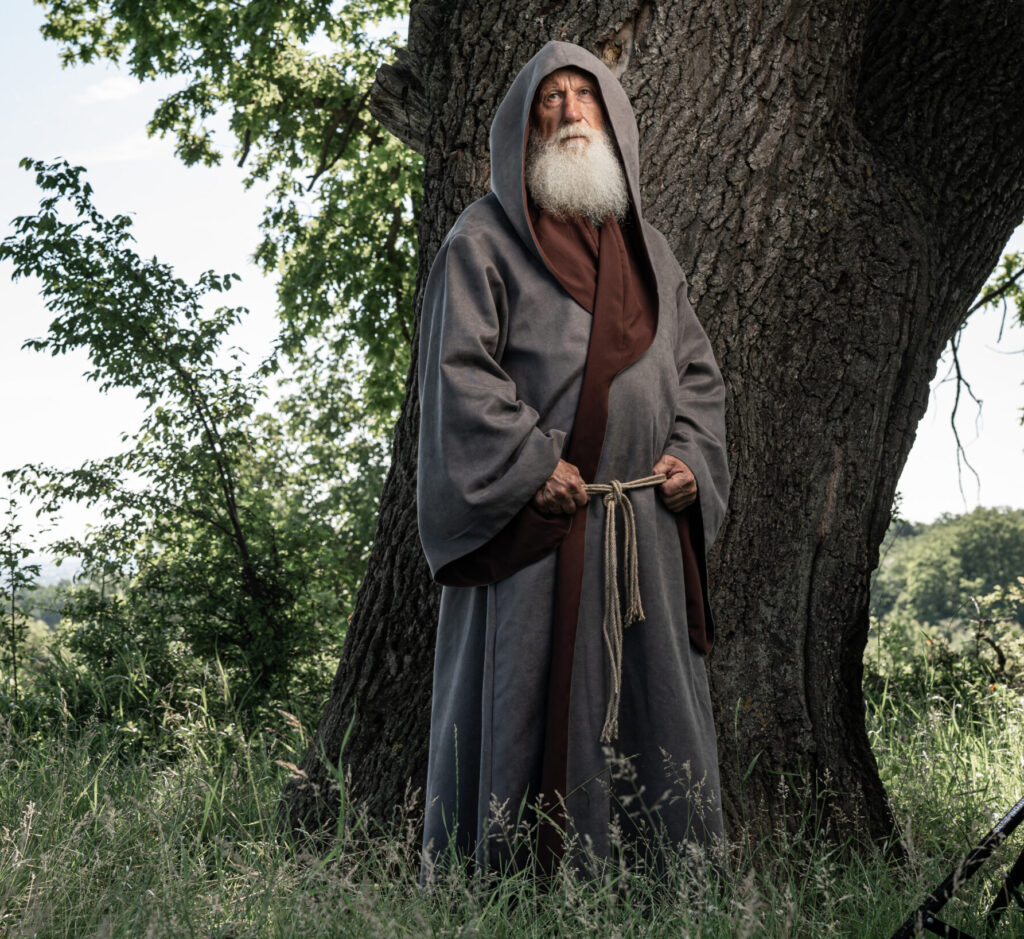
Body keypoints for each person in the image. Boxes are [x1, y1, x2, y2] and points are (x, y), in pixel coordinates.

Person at [416, 41, 730, 877]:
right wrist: (527, 463)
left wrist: (691, 456)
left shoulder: (651, 251)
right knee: (527, 717)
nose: (567, 113)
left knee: (657, 722)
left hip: (645, 532)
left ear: (613, 119)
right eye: (548, 100)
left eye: (582, 96)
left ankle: (664, 895)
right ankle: (516, 897)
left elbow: (696, 376)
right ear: (523, 129)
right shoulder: (480, 241)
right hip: (540, 532)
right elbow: (459, 376)